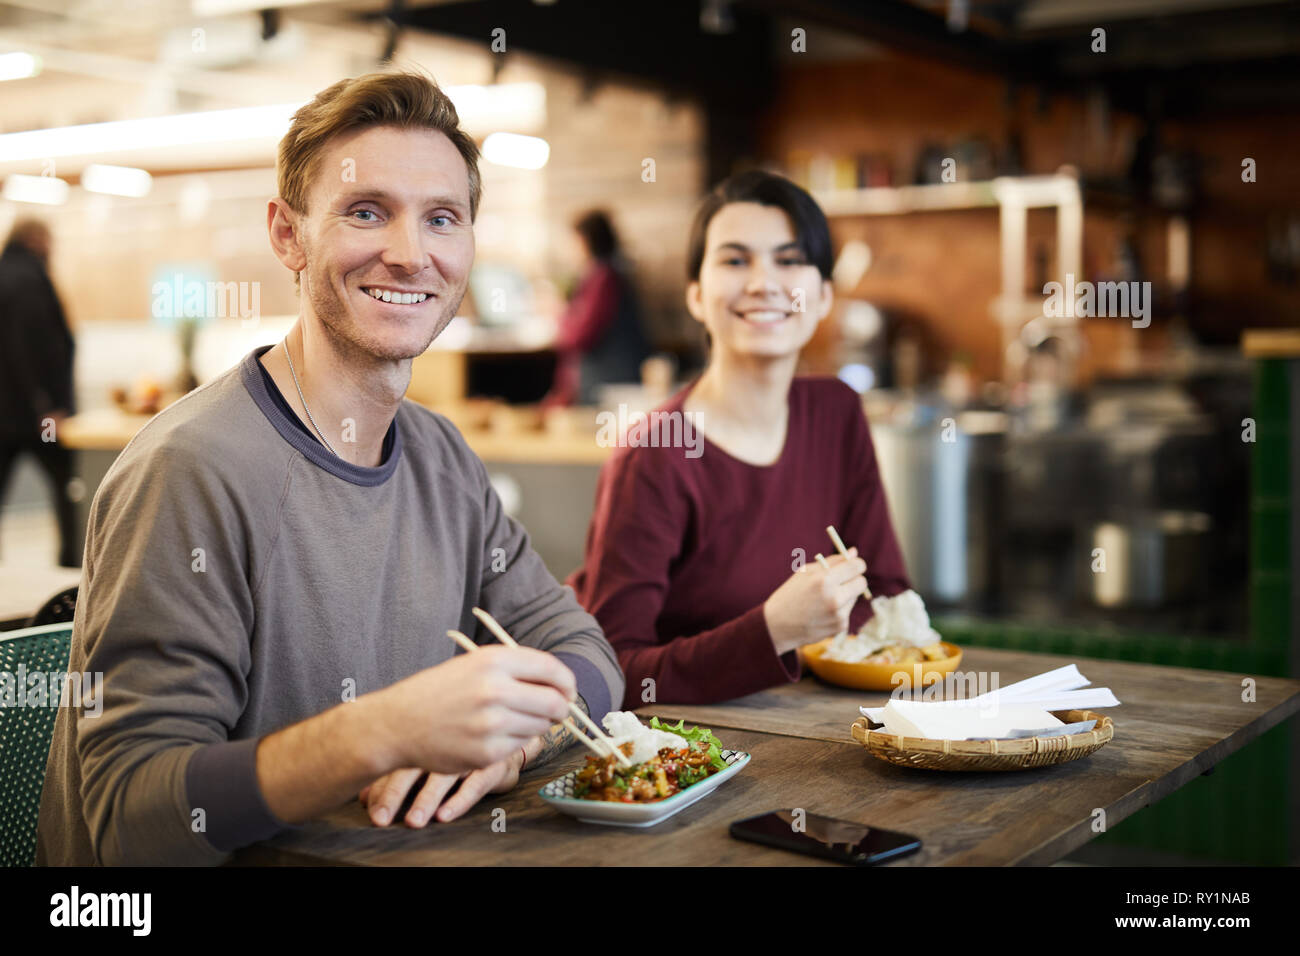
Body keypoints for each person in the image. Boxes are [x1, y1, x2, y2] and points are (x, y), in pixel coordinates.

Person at [37, 71, 624, 866]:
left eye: (442, 219)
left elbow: (584, 650)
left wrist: (511, 746)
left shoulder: (440, 454)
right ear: (287, 235)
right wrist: (379, 731)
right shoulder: (190, 470)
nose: (410, 254)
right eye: (366, 211)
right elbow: (132, 825)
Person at [568, 170, 912, 708]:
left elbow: (885, 593)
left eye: (789, 259)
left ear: (823, 296)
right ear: (697, 295)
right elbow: (614, 671)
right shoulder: (656, 455)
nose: (763, 283)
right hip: (694, 759)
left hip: (824, 733)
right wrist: (772, 632)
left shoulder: (837, 411)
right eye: (734, 260)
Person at [0, 219, 78, 567]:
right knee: (70, 489)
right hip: (35, 416)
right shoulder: (29, 281)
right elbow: (33, 348)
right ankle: (72, 570)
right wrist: (47, 404)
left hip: (7, 415)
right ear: (37, 241)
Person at [545, 210, 650, 406]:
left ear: (586, 241)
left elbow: (580, 335)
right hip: (610, 382)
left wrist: (558, 313)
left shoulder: (604, 278)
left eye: (573, 242)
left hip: (610, 386)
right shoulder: (603, 274)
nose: (570, 250)